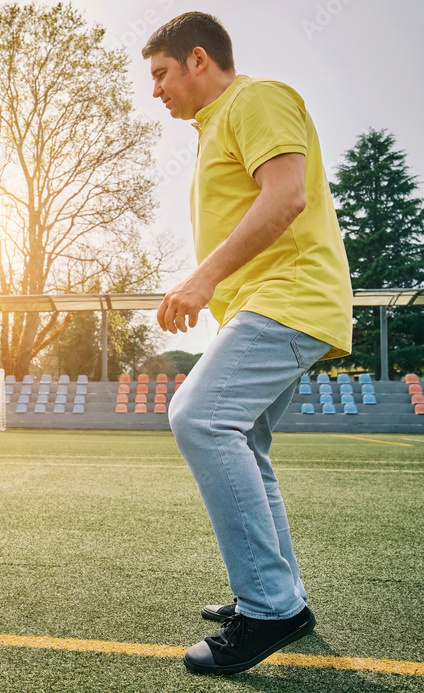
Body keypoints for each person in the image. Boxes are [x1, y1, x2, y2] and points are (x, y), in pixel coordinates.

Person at [141, 12, 352, 675]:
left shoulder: (257, 98)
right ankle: (280, 593)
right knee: (245, 443)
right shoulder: (213, 128)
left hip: (288, 297)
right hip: (270, 306)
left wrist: (202, 279)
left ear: (198, 59)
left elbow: (286, 195)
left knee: (198, 417)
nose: (156, 91)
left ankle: (269, 608)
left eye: (161, 74)